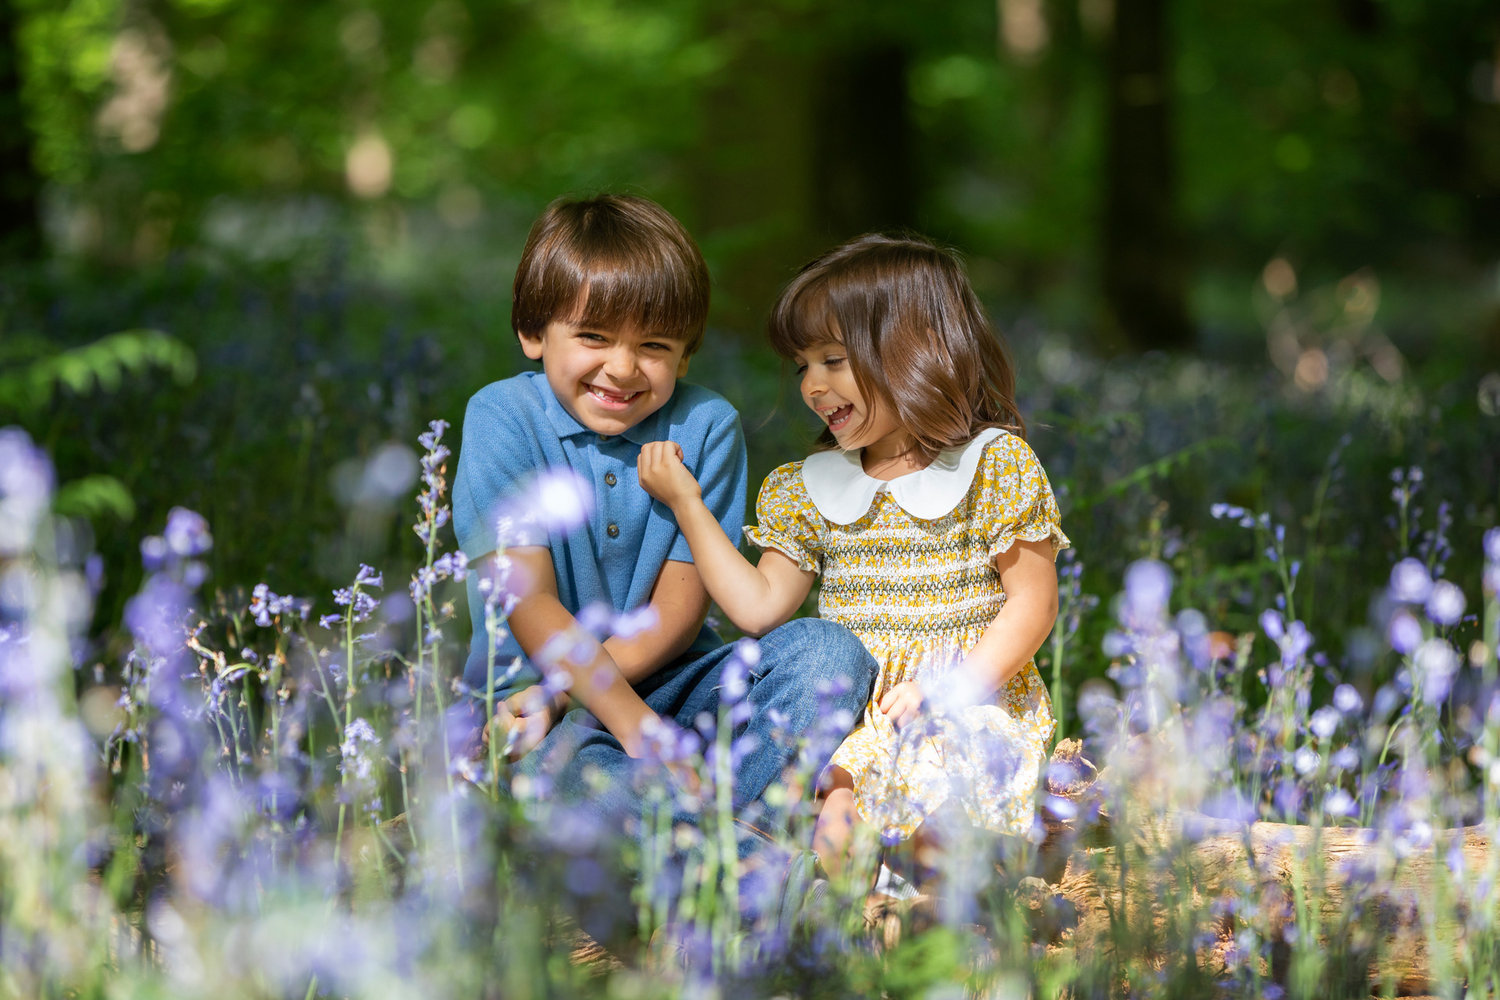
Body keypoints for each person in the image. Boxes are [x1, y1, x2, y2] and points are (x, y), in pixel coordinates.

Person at [638, 232, 1068, 886]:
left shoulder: (991, 466)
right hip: (861, 712)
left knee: (943, 823)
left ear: (914, 349)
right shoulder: (808, 488)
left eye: (834, 360)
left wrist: (947, 690)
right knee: (837, 828)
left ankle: (960, 910)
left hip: (968, 698)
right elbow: (759, 608)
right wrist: (689, 506)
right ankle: (866, 930)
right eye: (804, 364)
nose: (812, 384)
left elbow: (1033, 604)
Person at [451, 194, 877, 847]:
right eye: (593, 336)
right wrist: (613, 718)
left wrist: (644, 722)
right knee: (568, 775)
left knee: (828, 652)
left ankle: (713, 840)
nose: (622, 368)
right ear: (534, 333)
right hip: (532, 699)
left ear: (684, 356)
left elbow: (678, 615)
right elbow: (527, 599)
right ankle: (750, 852)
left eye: (653, 346)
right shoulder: (502, 418)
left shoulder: (705, 426)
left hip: (675, 686)